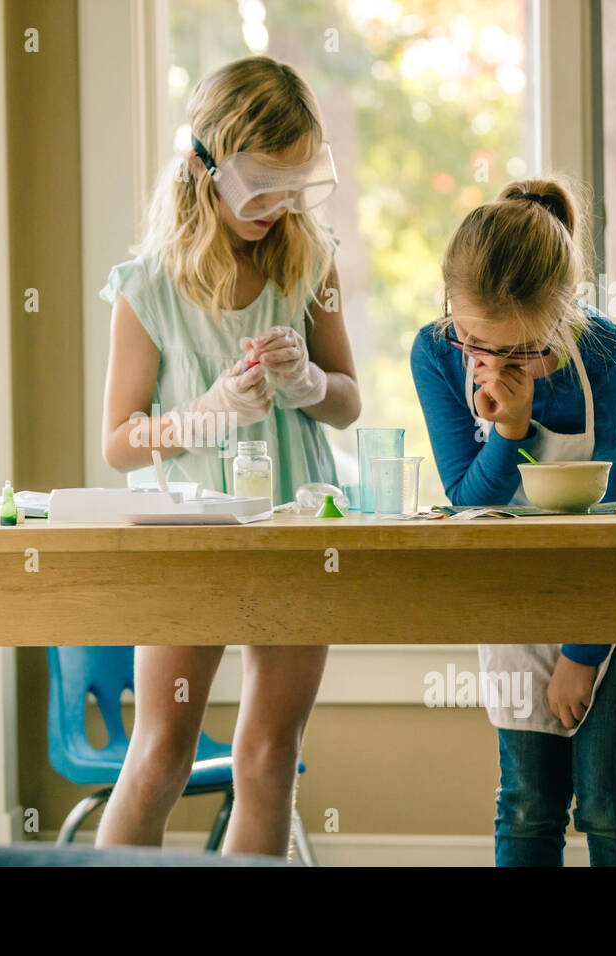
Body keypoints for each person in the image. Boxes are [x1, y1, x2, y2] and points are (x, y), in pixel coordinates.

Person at [96, 55, 360, 856]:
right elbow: (118, 444)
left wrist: (308, 382)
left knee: (269, 756)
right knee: (162, 753)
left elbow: (349, 405)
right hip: (190, 536)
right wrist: (204, 415)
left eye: (294, 187)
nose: (277, 208)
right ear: (206, 168)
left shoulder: (308, 263)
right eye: (260, 187)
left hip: (295, 526)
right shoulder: (149, 287)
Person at [410, 176, 616, 866]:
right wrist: (511, 429)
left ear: (562, 318)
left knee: (611, 804)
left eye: (520, 352)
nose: (491, 364)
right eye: (475, 342)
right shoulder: (436, 352)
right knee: (527, 806)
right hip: (516, 587)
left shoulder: (607, 355)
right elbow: (470, 503)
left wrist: (582, 658)